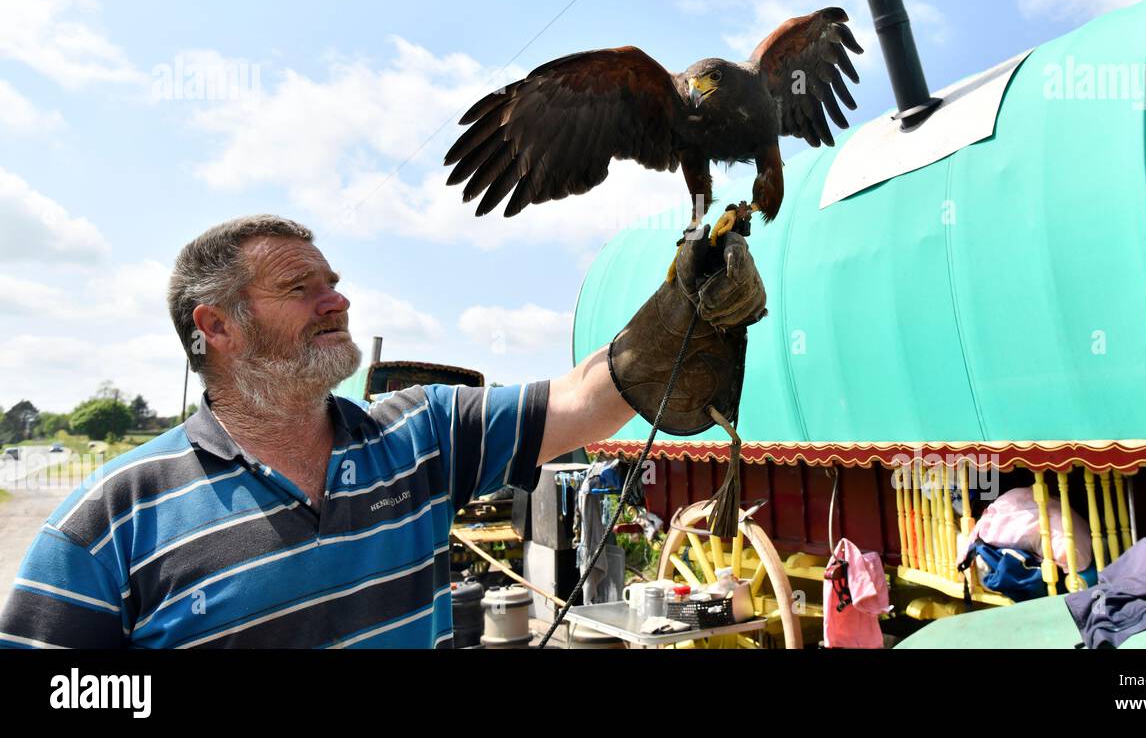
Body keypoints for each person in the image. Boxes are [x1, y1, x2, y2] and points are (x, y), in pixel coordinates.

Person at [0, 213, 765, 648]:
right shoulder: (109, 517)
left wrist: (683, 304)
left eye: (334, 281)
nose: (337, 301)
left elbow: (586, 399)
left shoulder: (423, 434)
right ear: (218, 327)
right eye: (302, 288)